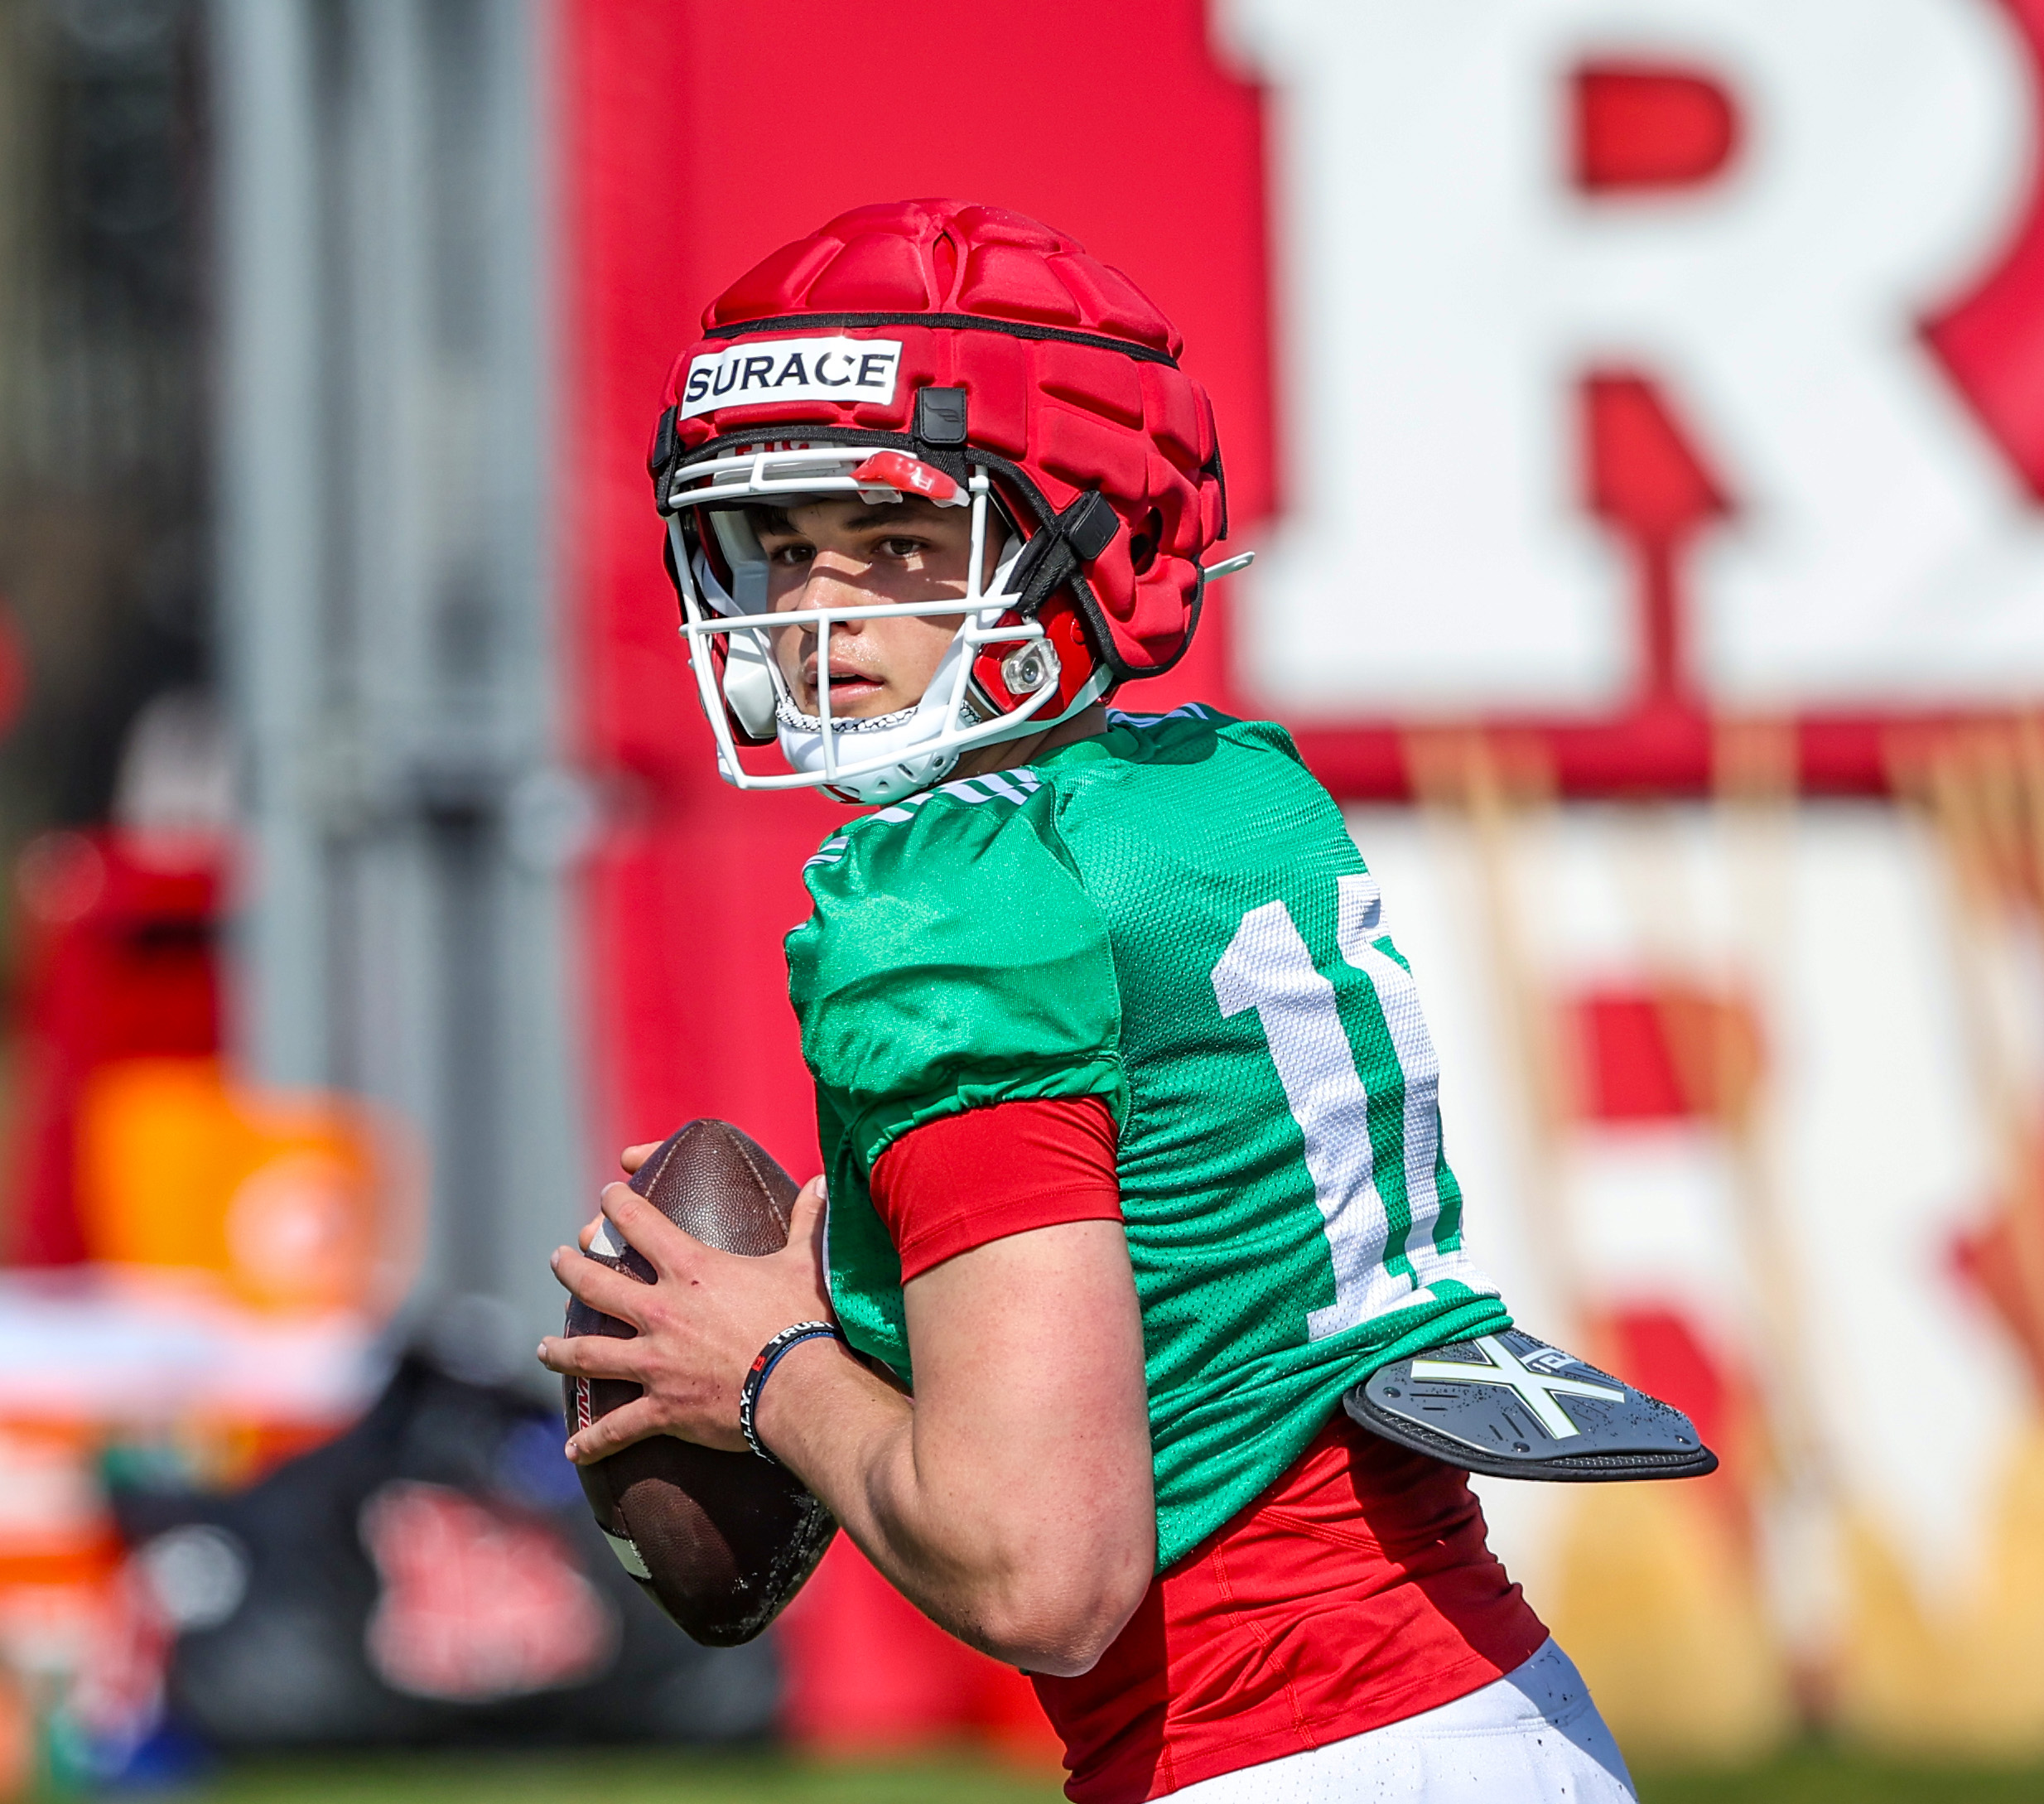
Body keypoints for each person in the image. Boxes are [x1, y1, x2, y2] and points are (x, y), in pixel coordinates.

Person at [538, 199, 1640, 1802]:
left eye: (899, 545)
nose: (814, 616)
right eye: (786, 548)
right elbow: (1187, 1298)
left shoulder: (948, 902)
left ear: (1083, 542)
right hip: (1499, 1713)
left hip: (1274, 1753)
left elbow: (1045, 1574)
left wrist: (776, 1372)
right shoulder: (1226, 801)